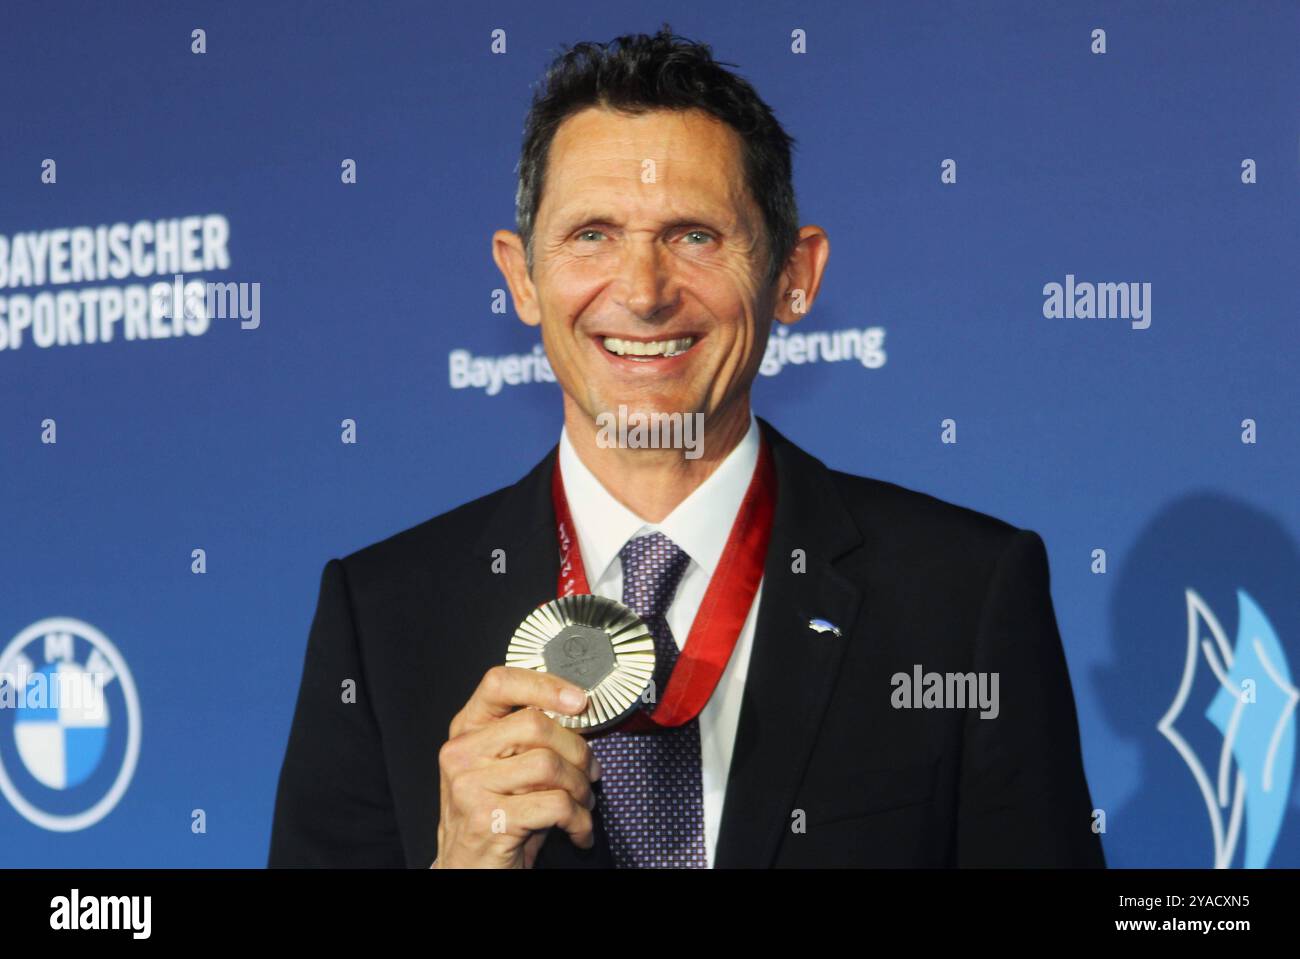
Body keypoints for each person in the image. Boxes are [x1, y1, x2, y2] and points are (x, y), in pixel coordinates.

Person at [268, 25, 1105, 869]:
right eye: (592, 233)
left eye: (694, 235)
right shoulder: (381, 622)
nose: (642, 291)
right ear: (522, 278)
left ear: (794, 275)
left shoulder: (961, 598)